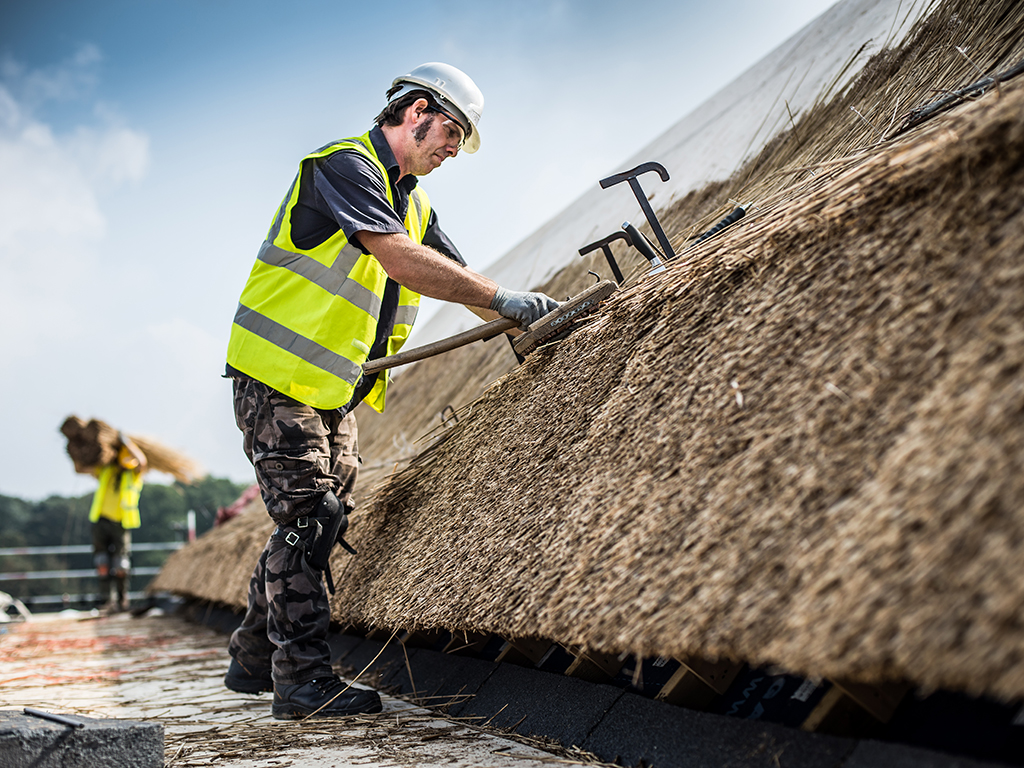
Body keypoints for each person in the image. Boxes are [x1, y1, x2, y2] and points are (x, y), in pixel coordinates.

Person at [222, 62, 560, 720]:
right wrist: (505, 299)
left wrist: (531, 319)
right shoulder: (345, 167)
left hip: (333, 389)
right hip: (276, 375)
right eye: (452, 132)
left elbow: (456, 277)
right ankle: (300, 683)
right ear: (418, 111)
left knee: (320, 521)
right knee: (308, 520)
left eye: (460, 139)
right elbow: (402, 260)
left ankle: (254, 653)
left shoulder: (414, 202)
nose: (453, 149)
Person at [89, 436, 147, 614]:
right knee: (102, 562)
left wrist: (127, 443)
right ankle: (107, 600)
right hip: (101, 520)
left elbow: (142, 462)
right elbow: (84, 467)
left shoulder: (133, 475)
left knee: (121, 564)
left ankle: (122, 601)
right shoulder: (106, 470)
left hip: (121, 522)